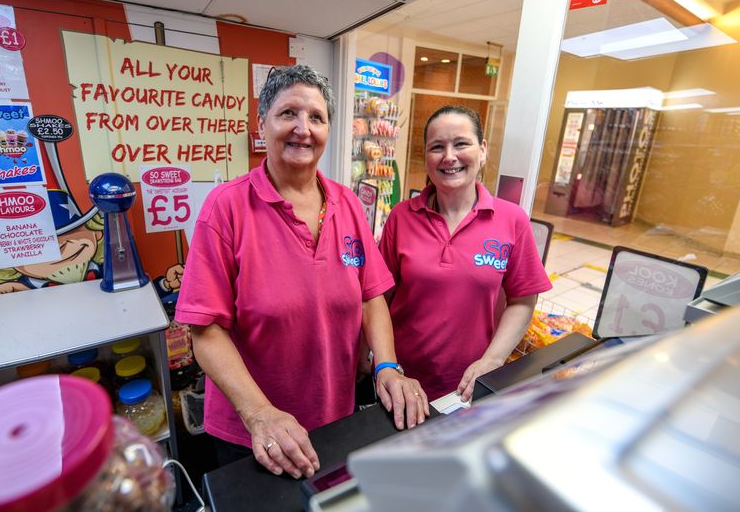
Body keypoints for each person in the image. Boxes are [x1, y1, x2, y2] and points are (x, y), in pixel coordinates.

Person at [176, 65, 428, 480]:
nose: (303, 128)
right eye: (288, 113)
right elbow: (205, 331)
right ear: (262, 124)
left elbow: (372, 296)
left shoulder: (347, 204)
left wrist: (386, 365)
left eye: (316, 117)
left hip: (335, 418)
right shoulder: (226, 208)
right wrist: (260, 415)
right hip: (253, 435)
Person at [379, 105, 552, 403]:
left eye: (461, 143)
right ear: (427, 157)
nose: (449, 156)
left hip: (469, 385)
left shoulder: (512, 220)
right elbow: (380, 298)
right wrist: (384, 364)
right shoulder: (401, 216)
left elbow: (523, 300)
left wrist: (493, 360)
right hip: (402, 382)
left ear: (482, 150)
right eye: (437, 147)